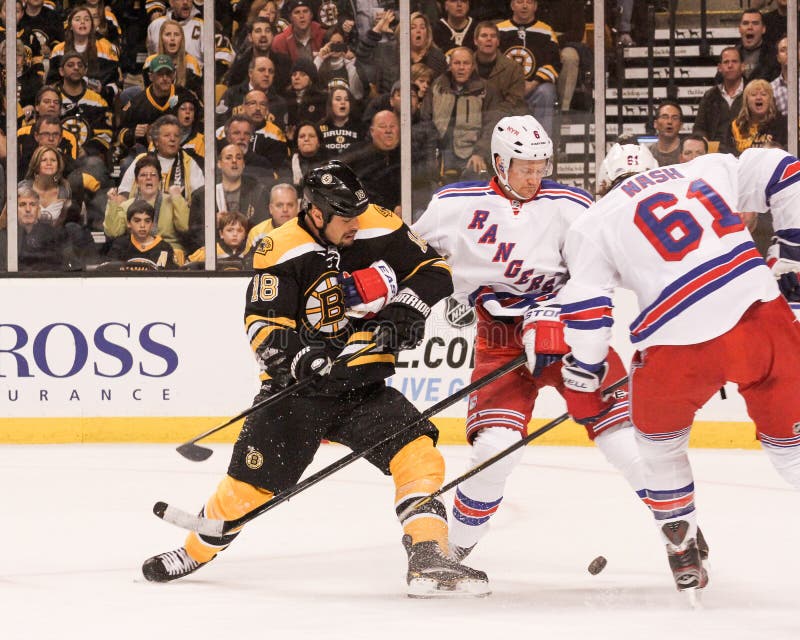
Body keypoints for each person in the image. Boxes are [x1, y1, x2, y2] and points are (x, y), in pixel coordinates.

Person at [142, 160, 490, 597]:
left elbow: (434, 271)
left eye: (357, 215)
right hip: (296, 395)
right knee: (244, 493)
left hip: (363, 388)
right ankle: (194, 550)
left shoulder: (377, 224)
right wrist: (299, 359)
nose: (355, 226)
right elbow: (262, 324)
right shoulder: (278, 247)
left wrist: (406, 309)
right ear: (317, 212)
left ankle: (428, 556)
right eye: (345, 219)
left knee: (419, 455)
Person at [556, 143, 800, 596]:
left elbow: (589, 309)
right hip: (758, 314)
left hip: (674, 341)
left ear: (602, 185)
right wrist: (794, 254)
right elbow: (783, 168)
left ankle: (680, 542)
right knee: (793, 450)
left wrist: (585, 370)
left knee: (658, 448)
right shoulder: (704, 168)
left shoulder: (592, 219)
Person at [411, 116, 648, 570]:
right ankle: (448, 553)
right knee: (496, 449)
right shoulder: (454, 204)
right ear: (500, 163)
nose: (535, 176)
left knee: (623, 436)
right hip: (500, 340)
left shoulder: (571, 203)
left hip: (569, 334)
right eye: (525, 167)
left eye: (541, 166)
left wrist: (553, 313)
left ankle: (680, 527)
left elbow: (593, 274)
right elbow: (413, 255)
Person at [419, 47, 500, 183]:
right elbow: (425, 121)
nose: (461, 68)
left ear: (473, 66)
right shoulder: (437, 87)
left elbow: (492, 126)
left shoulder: (486, 90)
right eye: (457, 63)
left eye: (466, 63)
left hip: (471, 154)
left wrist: (480, 154)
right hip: (441, 152)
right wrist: (430, 155)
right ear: (450, 66)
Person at [104, 155, 190, 262]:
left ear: (159, 180)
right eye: (143, 175)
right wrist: (112, 203)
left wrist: (177, 197)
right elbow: (113, 233)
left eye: (153, 175)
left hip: (169, 253)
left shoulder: (172, 202)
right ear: (136, 181)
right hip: (136, 254)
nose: (148, 178)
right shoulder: (126, 206)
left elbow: (185, 227)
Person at [497, 0, 561, 135]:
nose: (525, 6)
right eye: (520, 1)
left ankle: (542, 145)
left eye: (529, 2)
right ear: (512, 5)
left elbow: (554, 62)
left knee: (546, 92)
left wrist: (533, 84)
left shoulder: (546, 31)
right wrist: (511, 86)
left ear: (536, 6)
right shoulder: (499, 30)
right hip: (505, 88)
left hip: (534, 88)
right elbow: (492, 61)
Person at [721, 79, 787, 155]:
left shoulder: (781, 124)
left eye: (763, 94)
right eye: (753, 94)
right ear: (746, 101)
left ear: (770, 100)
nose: (759, 97)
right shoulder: (736, 126)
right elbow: (727, 154)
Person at [693, 47, 744, 145]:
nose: (730, 65)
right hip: (715, 154)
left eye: (734, 61)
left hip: (745, 152)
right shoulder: (710, 96)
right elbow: (699, 128)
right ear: (719, 67)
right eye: (726, 62)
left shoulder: (751, 93)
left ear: (743, 66)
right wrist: (704, 142)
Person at [105, 199, 176, 269]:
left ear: (152, 224)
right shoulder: (120, 245)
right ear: (129, 223)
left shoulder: (164, 248)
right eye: (137, 221)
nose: (142, 225)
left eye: (147, 221)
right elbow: (108, 272)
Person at [186, 210, 253, 270]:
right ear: (221, 234)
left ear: (245, 234)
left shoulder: (250, 252)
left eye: (239, 231)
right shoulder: (208, 251)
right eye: (230, 230)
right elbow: (185, 269)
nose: (235, 234)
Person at [247, 182, 300, 247]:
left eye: (290, 205)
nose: (285, 209)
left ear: (297, 207)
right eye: (279, 205)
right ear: (271, 209)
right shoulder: (257, 234)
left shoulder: (307, 231)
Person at [649, 100, 684, 166]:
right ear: (655, 124)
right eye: (665, 117)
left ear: (681, 125)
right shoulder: (647, 154)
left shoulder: (687, 152)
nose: (669, 122)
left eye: (675, 118)